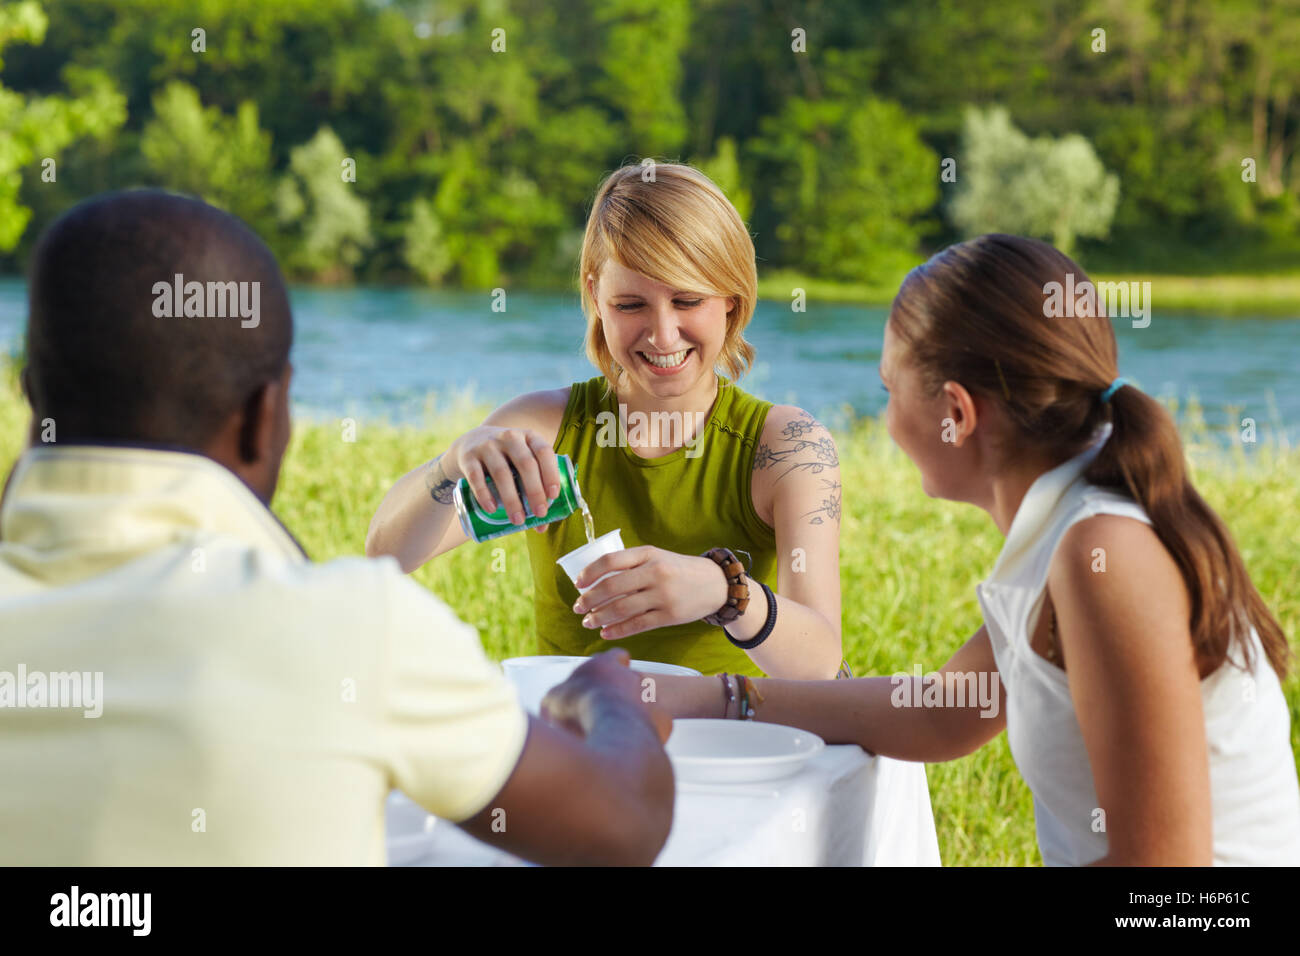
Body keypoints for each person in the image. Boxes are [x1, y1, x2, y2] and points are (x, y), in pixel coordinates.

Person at [0, 190, 673, 866]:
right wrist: (608, 698)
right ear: (267, 416)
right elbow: (622, 824)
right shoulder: (349, 627)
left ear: (33, 396)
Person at [643, 234, 1300, 865]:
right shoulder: (1070, 525)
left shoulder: (1106, 553)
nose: (885, 419)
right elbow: (947, 710)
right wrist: (712, 698)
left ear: (956, 412)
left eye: (887, 389)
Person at [367, 163, 844, 679]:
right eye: (630, 304)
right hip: (580, 740)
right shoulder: (544, 431)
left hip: (729, 739)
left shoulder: (787, 448)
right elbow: (389, 554)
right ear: (596, 297)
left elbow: (821, 661)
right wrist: (453, 463)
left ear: (731, 299)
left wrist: (725, 591)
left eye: (688, 300)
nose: (663, 335)